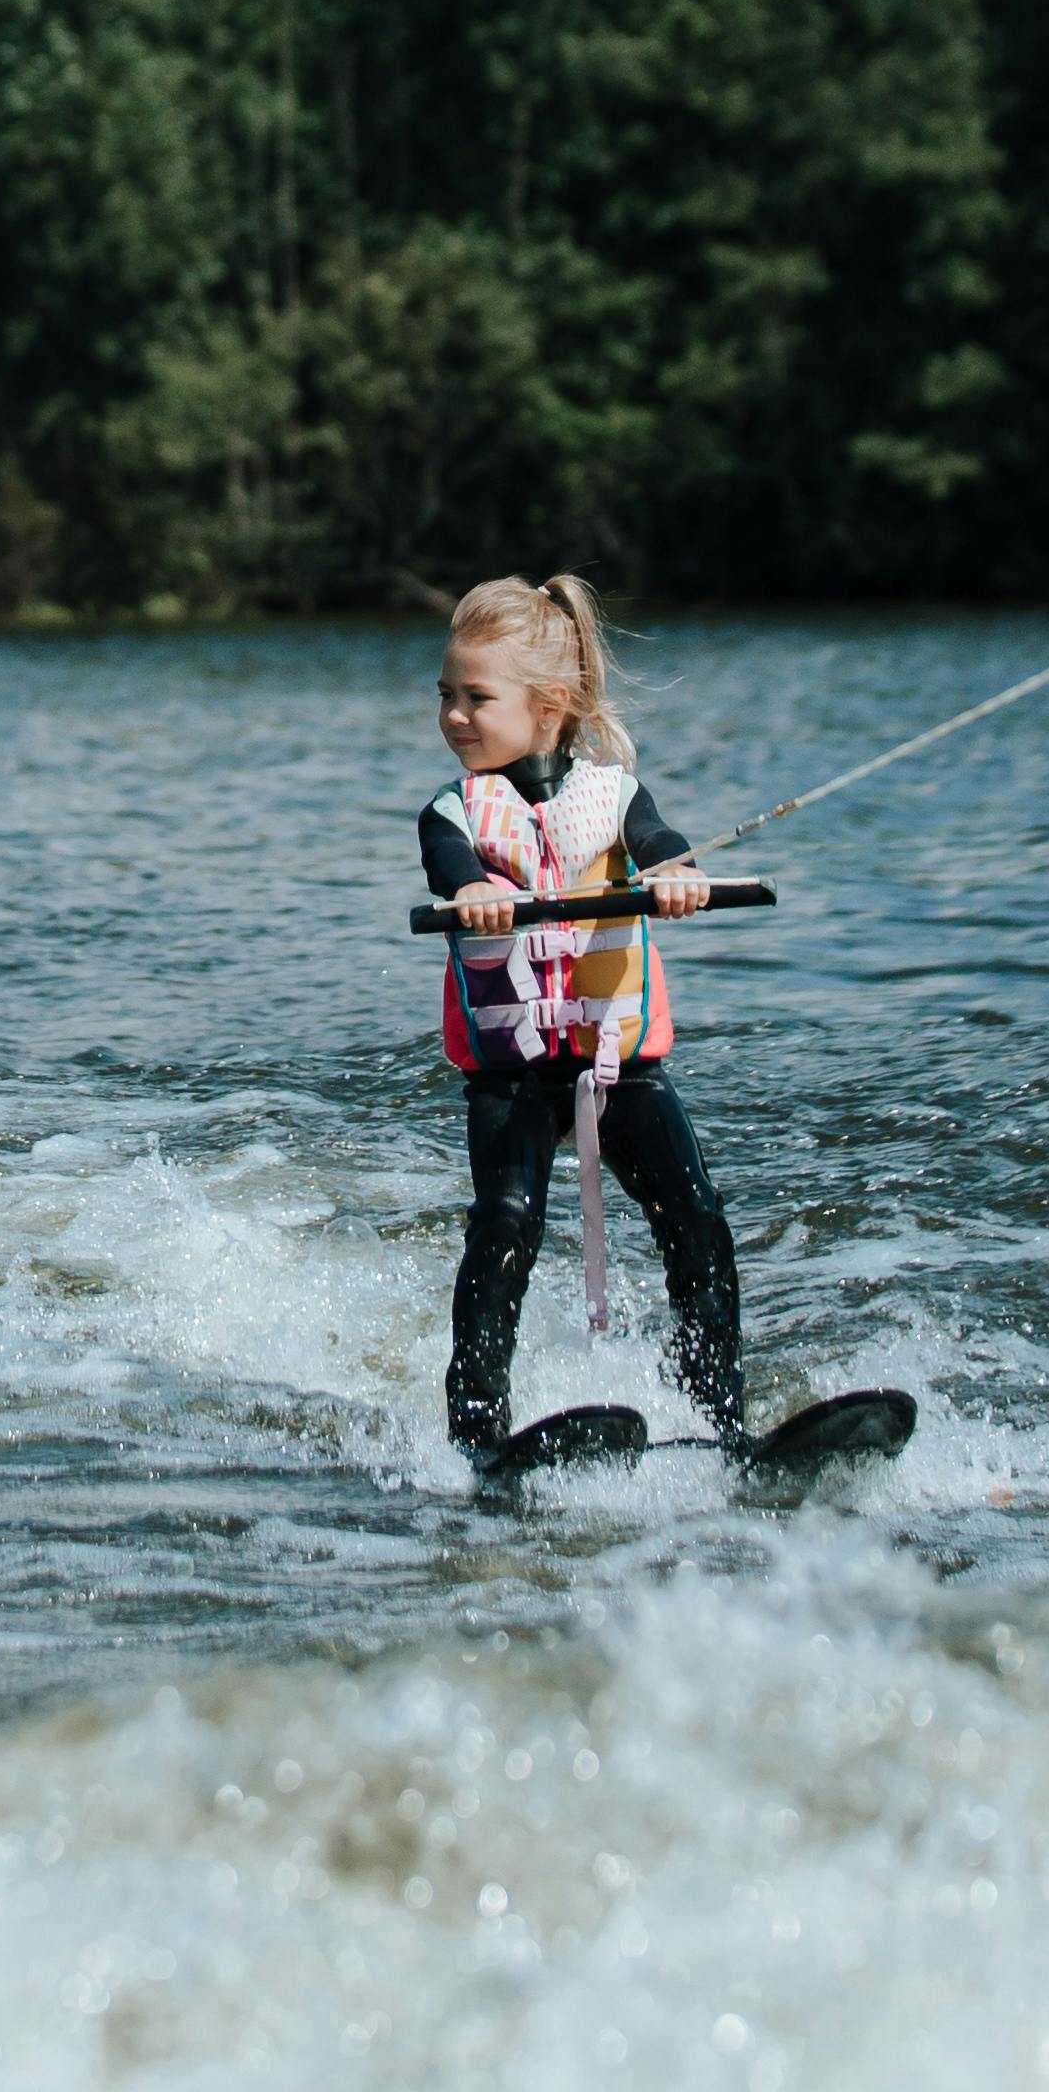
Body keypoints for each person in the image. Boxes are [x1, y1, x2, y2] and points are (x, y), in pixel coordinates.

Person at [422, 572, 740, 1463]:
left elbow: (662, 846)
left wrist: (676, 876)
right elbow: (450, 862)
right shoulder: (453, 810)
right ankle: (477, 1431)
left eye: (474, 698)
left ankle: (718, 1415)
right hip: (513, 1072)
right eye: (444, 695)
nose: (452, 715)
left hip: (618, 1066)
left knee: (696, 1214)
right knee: (507, 1223)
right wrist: (478, 889)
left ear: (549, 704)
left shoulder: (614, 794)